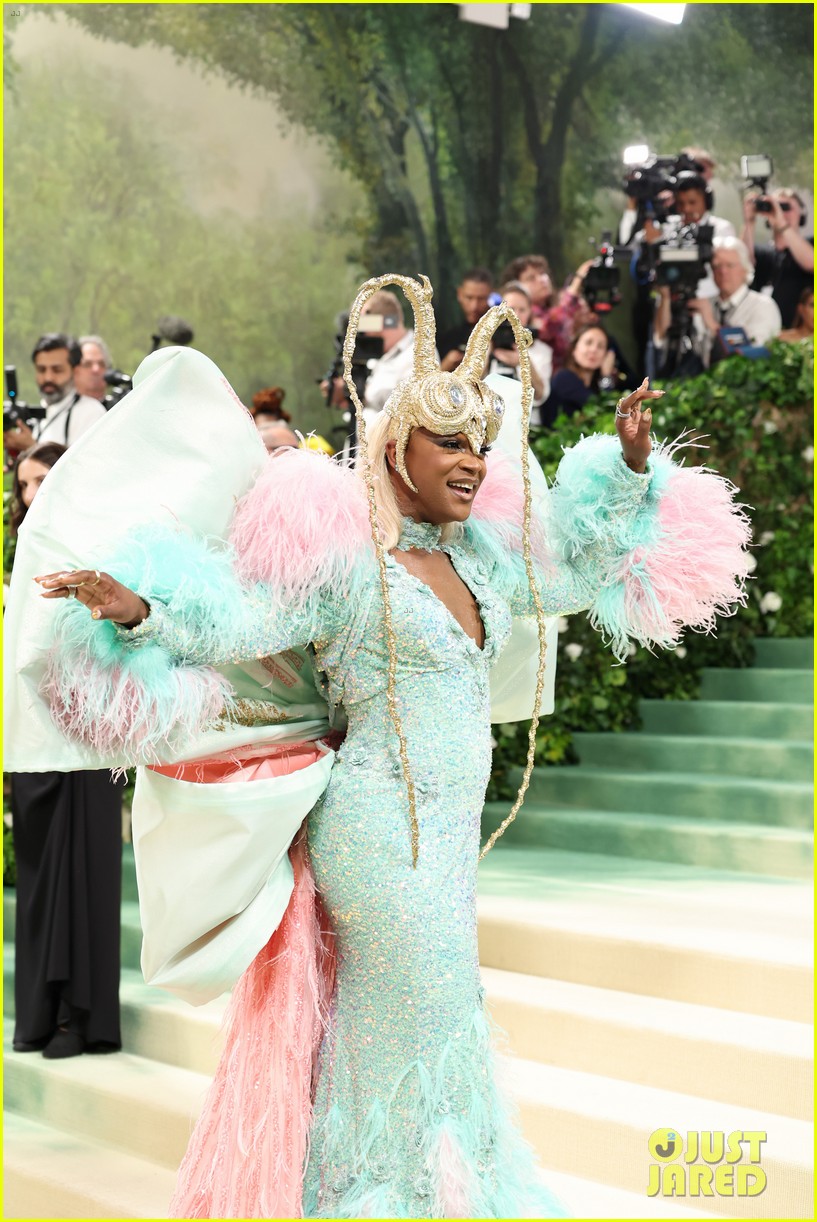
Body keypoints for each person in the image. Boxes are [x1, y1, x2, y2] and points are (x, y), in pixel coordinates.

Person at [16, 276, 750, 1219]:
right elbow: (246, 619)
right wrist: (143, 609)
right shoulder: (349, 562)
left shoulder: (478, 560)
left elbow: (570, 579)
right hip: (376, 831)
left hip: (446, 840)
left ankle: (409, 1185)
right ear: (394, 450)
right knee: (426, 1007)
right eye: (450, 442)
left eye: (482, 445)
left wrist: (634, 470)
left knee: (423, 1016)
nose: (473, 463)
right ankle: (382, 1193)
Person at [8, 440, 123, 1060]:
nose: (34, 492)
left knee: (89, 873)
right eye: (24, 483)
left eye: (44, 478)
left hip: (89, 729)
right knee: (40, 880)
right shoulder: (21, 547)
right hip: (32, 735)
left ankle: (86, 1018)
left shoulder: (98, 545)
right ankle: (39, 1016)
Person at [654, 236, 782, 370]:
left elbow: (752, 357)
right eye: (717, 266)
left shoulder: (762, 306)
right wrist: (666, 299)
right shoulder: (704, 304)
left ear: (745, 268)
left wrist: (712, 325)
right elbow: (661, 337)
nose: (723, 271)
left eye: (730, 265)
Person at [3, 333, 106, 456]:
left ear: (75, 371)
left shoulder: (91, 412)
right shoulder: (37, 415)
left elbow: (83, 470)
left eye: (57, 370)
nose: (48, 377)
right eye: (41, 370)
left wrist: (31, 448)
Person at [499, 253, 596, 372]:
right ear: (516, 286)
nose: (542, 279)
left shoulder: (556, 306)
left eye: (543, 273)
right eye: (531, 278)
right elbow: (550, 324)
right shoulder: (526, 315)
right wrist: (576, 283)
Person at [742, 188, 814, 328]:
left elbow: (811, 263)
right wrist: (749, 221)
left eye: (787, 207)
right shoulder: (762, 252)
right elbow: (741, 263)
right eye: (777, 207)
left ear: (802, 214)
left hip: (799, 332)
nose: (781, 213)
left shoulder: (811, 244)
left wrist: (783, 225)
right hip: (762, 328)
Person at [487, 281, 552, 413]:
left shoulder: (542, 350)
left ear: (529, 312)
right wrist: (486, 351)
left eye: (522, 310)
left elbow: (541, 394)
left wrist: (523, 361)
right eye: (510, 309)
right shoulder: (485, 342)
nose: (515, 315)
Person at [539, 324, 616, 428]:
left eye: (600, 346)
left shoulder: (597, 386)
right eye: (588, 343)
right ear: (574, 349)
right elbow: (602, 410)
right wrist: (606, 376)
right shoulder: (564, 378)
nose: (593, 350)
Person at [438, 268, 494, 372]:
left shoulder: (501, 334)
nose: (474, 306)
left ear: (490, 297)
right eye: (469, 298)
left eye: (481, 299)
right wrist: (446, 365)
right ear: (460, 294)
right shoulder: (448, 337)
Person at [74, 335, 113, 401]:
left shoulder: (120, 407)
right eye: (87, 364)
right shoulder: (59, 408)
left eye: (101, 364)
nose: (96, 369)